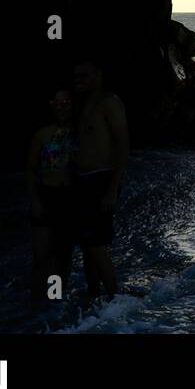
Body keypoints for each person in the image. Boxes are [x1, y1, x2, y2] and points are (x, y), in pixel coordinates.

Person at [70, 59, 129, 300]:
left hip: (102, 180)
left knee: (96, 244)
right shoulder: (84, 105)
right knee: (86, 244)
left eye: (84, 75)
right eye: (75, 77)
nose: (78, 81)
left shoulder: (109, 103)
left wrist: (112, 188)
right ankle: (93, 294)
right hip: (83, 181)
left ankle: (116, 299)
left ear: (98, 75)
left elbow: (123, 145)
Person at [25, 88, 77, 306]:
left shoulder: (81, 132)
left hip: (69, 197)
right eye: (57, 103)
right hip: (46, 194)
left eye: (65, 102)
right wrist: (35, 200)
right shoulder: (42, 134)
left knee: (63, 253)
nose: (61, 106)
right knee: (42, 254)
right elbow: (30, 170)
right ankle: (38, 299)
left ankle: (56, 297)